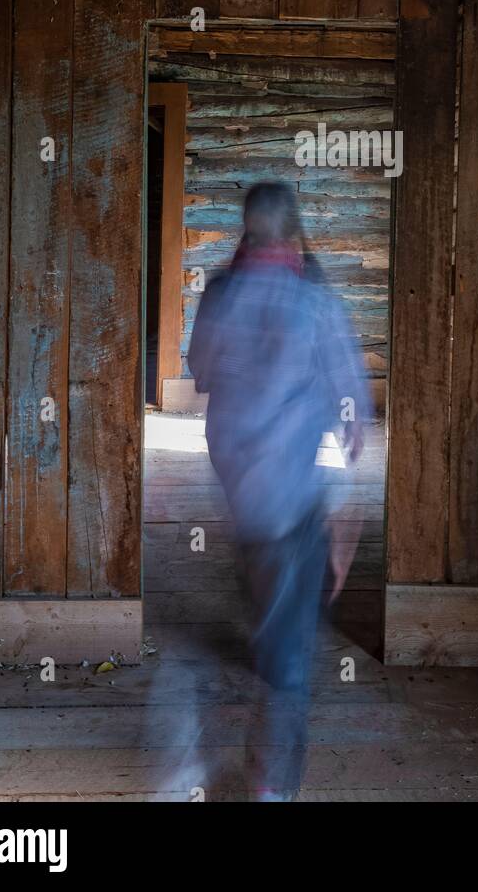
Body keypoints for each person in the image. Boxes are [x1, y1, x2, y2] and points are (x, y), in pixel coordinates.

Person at [186, 181, 370, 802]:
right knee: (289, 666)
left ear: (246, 231)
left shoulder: (218, 294)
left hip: (241, 490)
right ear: (293, 235)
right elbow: (354, 416)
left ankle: (267, 624)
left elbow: (200, 372)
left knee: (265, 578)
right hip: (294, 499)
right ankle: (269, 788)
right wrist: (346, 502)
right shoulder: (317, 303)